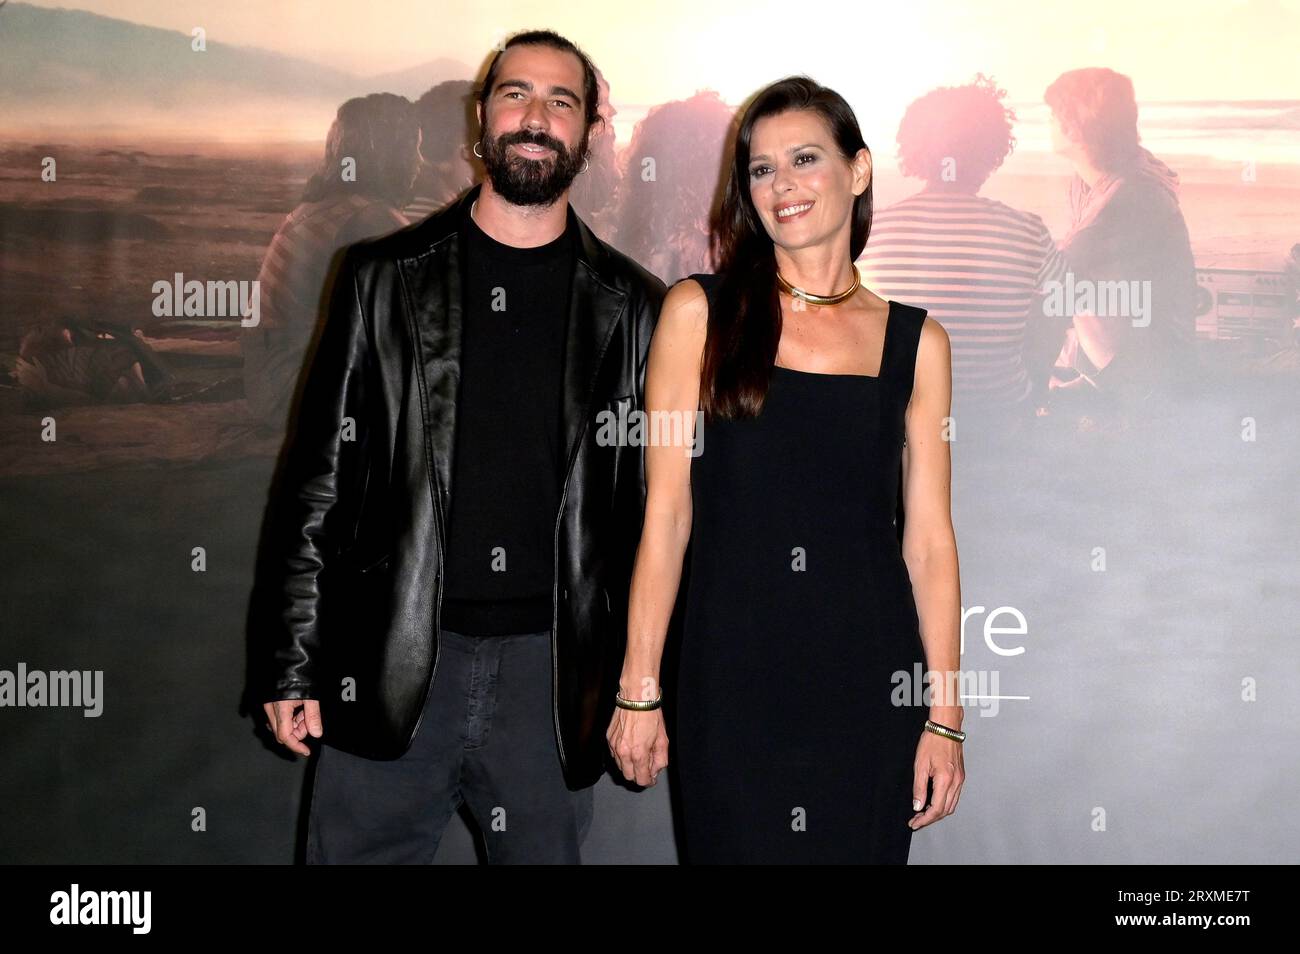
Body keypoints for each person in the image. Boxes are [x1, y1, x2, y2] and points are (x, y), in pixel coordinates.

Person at [259, 29, 666, 864]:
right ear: (481, 117)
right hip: (391, 656)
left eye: (564, 101)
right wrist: (292, 661)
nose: (537, 117)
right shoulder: (382, 276)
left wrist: (646, 686)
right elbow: (317, 480)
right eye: (516, 93)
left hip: (553, 681)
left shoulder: (635, 306)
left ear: (589, 131)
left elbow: (659, 515)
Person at [606, 76, 966, 863]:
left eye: (804, 158)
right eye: (762, 170)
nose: (782, 185)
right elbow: (665, 516)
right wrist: (640, 686)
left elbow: (930, 543)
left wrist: (943, 715)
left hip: (870, 680)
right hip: (729, 677)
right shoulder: (696, 314)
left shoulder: (918, 343)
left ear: (859, 170)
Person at [857, 74, 1070, 439]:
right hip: (999, 424)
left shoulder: (867, 233)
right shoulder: (1028, 231)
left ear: (915, 151)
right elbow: (1061, 310)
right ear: (992, 153)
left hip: (899, 430)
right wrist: (1034, 383)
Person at [241, 93, 420, 432]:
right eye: (413, 147)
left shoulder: (326, 206)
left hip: (273, 380)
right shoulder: (372, 219)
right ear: (390, 155)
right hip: (296, 386)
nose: (419, 161)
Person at [1043, 67, 1201, 414]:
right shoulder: (1093, 179)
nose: (1049, 123)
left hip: (1154, 370)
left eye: (1054, 115)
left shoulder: (1130, 193)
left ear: (1073, 126)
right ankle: (1075, 377)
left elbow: (1056, 272)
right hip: (1128, 349)